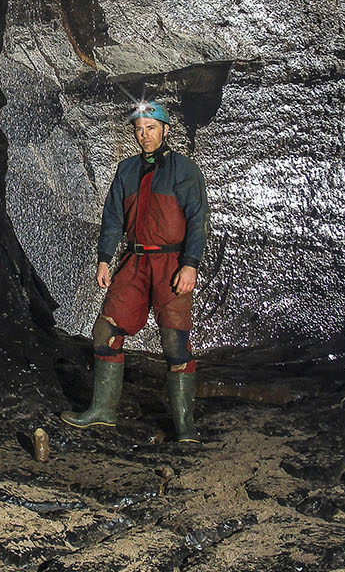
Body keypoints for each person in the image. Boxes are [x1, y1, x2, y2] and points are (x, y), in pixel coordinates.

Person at [61, 101, 211, 444]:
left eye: (152, 128)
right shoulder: (126, 170)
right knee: (105, 330)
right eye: (140, 129)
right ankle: (102, 412)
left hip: (171, 263)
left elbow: (198, 221)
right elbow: (113, 217)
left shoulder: (184, 170)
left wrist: (190, 264)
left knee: (175, 344)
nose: (145, 135)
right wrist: (104, 258)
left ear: (165, 130)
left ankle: (185, 428)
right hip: (135, 261)